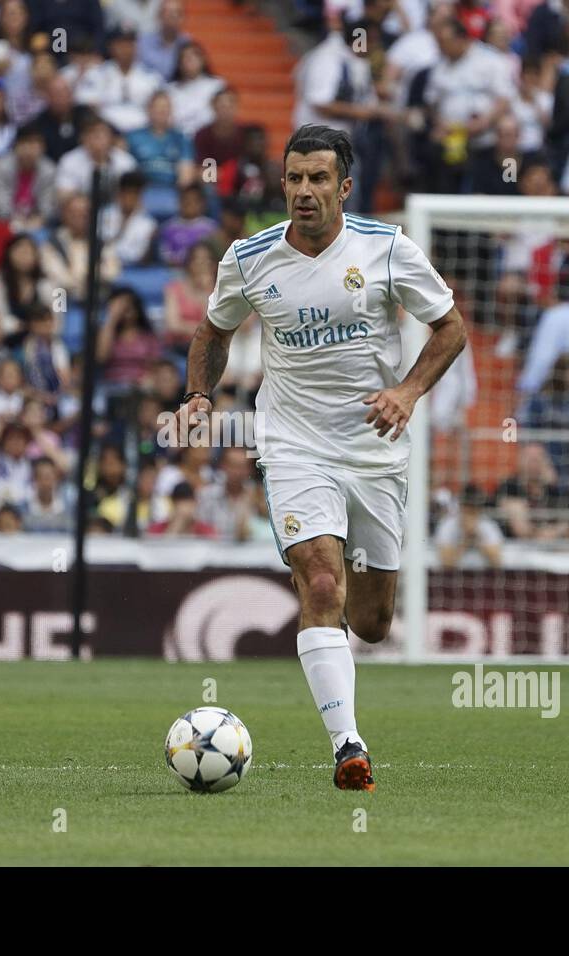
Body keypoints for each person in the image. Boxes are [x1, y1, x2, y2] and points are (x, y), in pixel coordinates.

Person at [178, 124, 466, 791]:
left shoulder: (388, 249)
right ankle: (348, 747)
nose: (304, 191)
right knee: (324, 586)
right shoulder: (250, 259)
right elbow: (212, 331)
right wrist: (197, 393)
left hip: (375, 449)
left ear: (344, 186)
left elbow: (451, 329)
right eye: (294, 179)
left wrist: (407, 390)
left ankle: (319, 584)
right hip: (295, 444)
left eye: (317, 179)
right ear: (282, 185)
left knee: (368, 621)